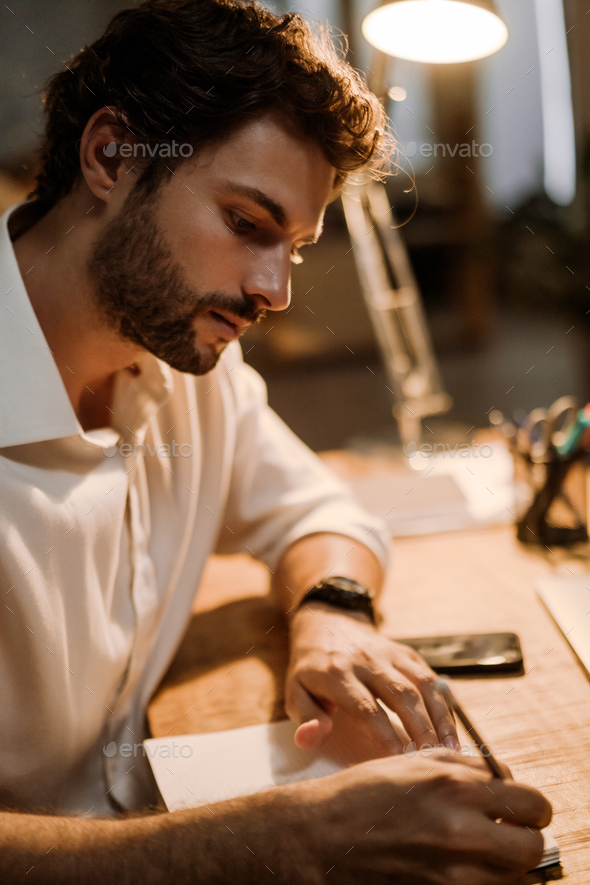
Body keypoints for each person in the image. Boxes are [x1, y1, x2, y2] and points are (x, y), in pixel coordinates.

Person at [0, 0, 551, 881]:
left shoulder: (183, 368)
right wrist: (277, 840)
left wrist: (333, 618)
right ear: (109, 156)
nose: (275, 290)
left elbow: (316, 508)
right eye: (248, 224)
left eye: (294, 246)